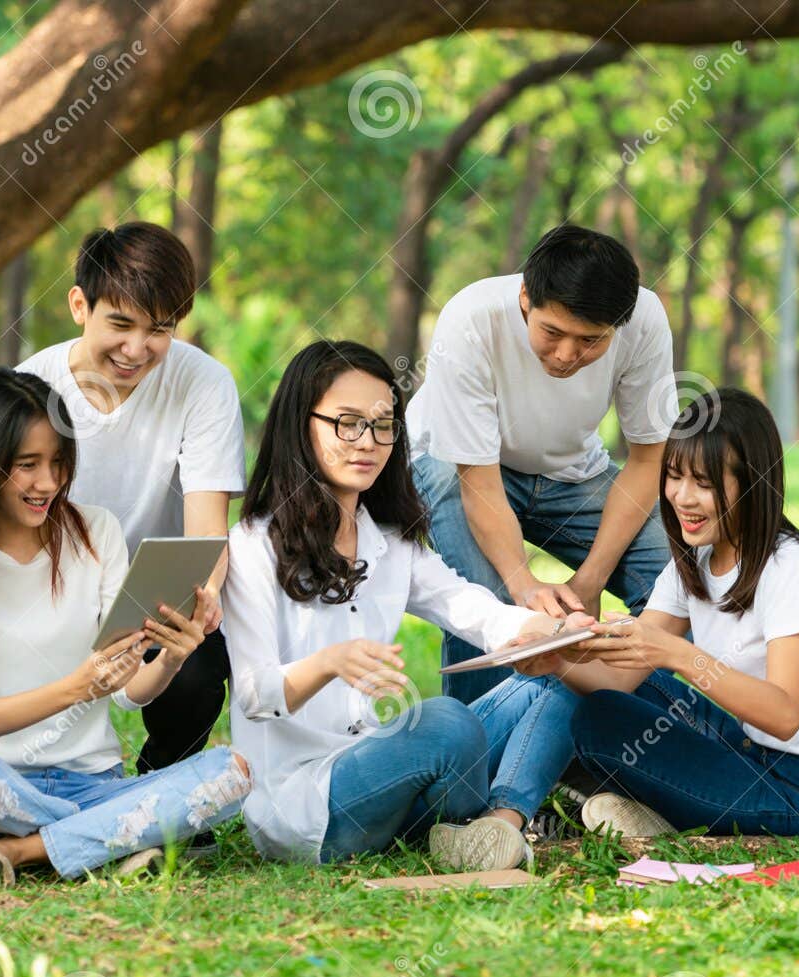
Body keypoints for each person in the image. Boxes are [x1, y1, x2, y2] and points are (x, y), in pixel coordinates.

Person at [223, 340, 591, 872]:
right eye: (347, 423)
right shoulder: (253, 545)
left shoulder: (389, 544)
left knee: (565, 674)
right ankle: (471, 825)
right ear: (300, 426)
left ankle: (500, 822)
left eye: (382, 425)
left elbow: (472, 608)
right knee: (446, 723)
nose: (367, 442)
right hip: (307, 802)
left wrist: (553, 629)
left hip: (389, 769)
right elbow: (255, 695)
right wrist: (329, 663)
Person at [0, 369, 250, 888]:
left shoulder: (97, 531)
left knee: (230, 775)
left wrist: (171, 656)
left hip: (90, 783)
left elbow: (127, 695)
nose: (49, 483)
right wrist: (74, 689)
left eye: (58, 463)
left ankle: (20, 850)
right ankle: (113, 838)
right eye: (27, 466)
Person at [518, 388, 799, 842]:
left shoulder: (791, 567)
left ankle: (651, 808)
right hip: (752, 753)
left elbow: (786, 712)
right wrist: (556, 658)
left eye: (704, 483)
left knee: (600, 725)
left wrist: (678, 655)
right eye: (673, 477)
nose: (681, 498)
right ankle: (651, 808)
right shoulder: (696, 561)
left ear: (752, 482)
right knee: (614, 699)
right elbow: (619, 678)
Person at [409, 223, 676, 704]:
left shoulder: (646, 319)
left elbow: (648, 459)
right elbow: (478, 482)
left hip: (572, 472)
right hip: (457, 466)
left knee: (678, 577)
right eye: (552, 332)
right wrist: (523, 584)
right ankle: (483, 752)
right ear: (526, 297)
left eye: (591, 340)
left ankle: (633, 739)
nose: (567, 355)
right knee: (487, 604)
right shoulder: (471, 320)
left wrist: (591, 578)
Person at [18, 222, 245, 775]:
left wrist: (204, 603)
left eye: (159, 329)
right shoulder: (31, 385)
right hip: (57, 585)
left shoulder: (203, 384)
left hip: (159, 595)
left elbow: (206, 530)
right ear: (79, 305)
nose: (136, 349)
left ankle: (165, 776)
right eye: (119, 324)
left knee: (194, 660)